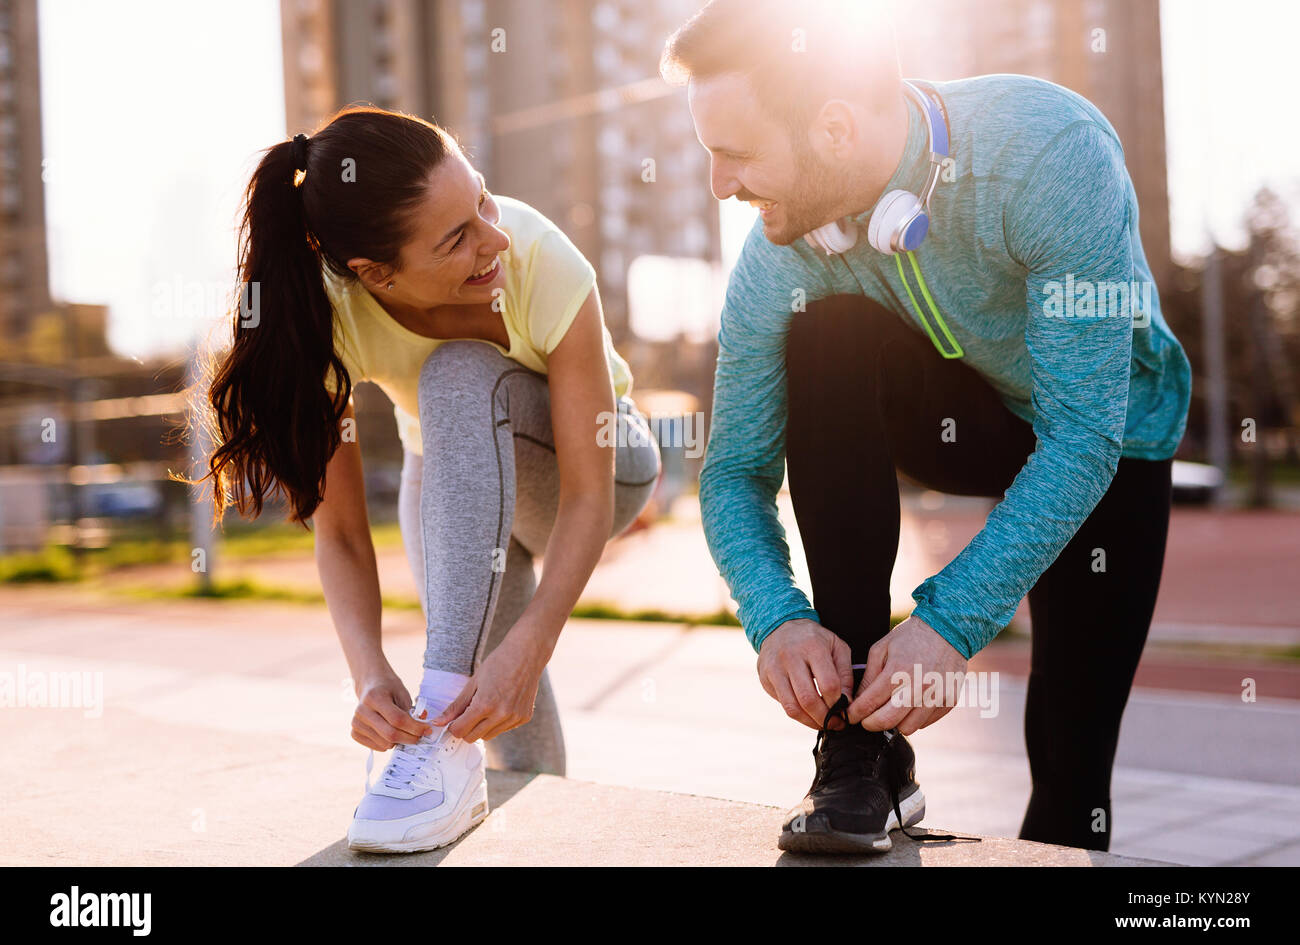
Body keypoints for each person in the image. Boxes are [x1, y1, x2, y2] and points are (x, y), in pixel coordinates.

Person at [661, 0, 1191, 853]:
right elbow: (732, 473)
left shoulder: (1049, 157)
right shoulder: (778, 254)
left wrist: (949, 624)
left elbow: (1081, 436)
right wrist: (776, 617)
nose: (720, 184)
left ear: (834, 128)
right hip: (958, 417)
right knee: (829, 335)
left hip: (1109, 434)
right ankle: (862, 752)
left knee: (1071, 759)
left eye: (736, 154)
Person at [196, 106, 661, 853]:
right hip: (453, 487)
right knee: (494, 713)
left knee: (457, 375)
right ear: (374, 274)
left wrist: (533, 643)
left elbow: (587, 493)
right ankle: (509, 820)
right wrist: (368, 673)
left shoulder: (540, 258)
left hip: (598, 475)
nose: (495, 237)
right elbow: (343, 531)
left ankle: (438, 702)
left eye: (481, 199)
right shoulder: (328, 314)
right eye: (457, 239)